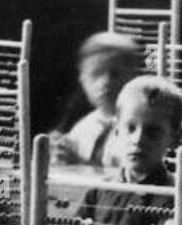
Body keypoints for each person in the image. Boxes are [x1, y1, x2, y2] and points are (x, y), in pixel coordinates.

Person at [75, 76, 182, 225]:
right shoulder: (98, 191)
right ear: (116, 129)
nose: (138, 139)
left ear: (174, 138)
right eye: (130, 128)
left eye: (153, 132)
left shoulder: (175, 199)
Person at [51, 32, 140, 168]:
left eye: (115, 73)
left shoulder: (141, 127)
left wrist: (80, 165)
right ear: (83, 80)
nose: (105, 82)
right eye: (96, 74)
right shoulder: (83, 128)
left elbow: (133, 181)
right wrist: (57, 154)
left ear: (134, 76)